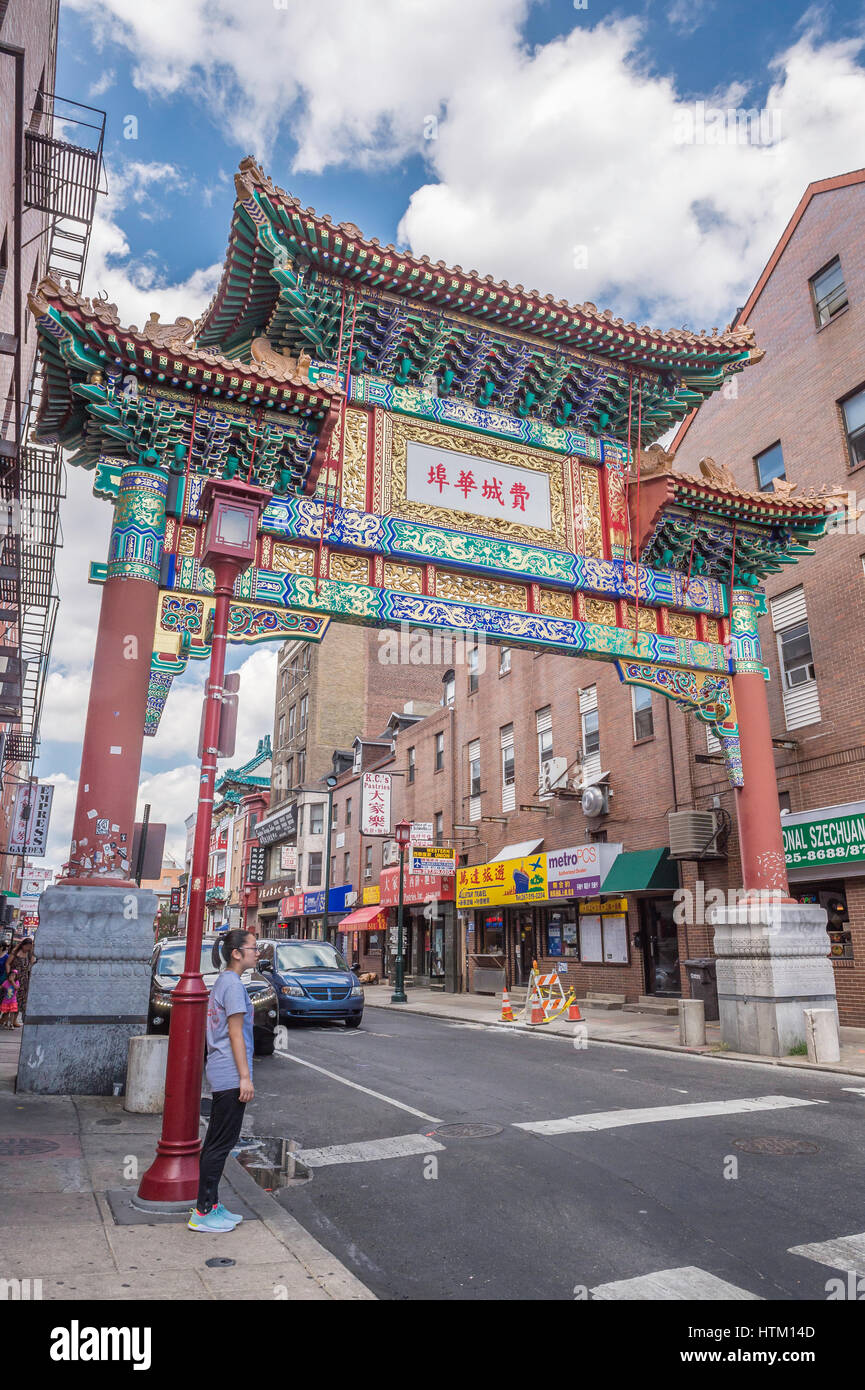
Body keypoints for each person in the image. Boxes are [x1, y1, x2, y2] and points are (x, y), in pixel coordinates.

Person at [188, 929, 257, 1233]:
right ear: (236, 954)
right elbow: (235, 1033)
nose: (257, 952)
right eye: (252, 948)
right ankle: (203, 1212)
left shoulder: (226, 982)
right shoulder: (231, 985)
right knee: (219, 1144)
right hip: (229, 1072)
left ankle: (212, 1205)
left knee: (219, 1141)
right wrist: (245, 1077)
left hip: (222, 1070)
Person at [8, 939, 33, 1026]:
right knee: (10, 999)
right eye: (27, 946)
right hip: (14, 979)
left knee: (20, 1001)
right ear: (23, 945)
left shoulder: (29, 954)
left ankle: (14, 1020)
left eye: (29, 947)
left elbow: (32, 963)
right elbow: (8, 963)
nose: (28, 948)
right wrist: (9, 974)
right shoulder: (15, 953)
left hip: (24, 980)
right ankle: (5, 1019)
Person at [1, 960, 19, 1028]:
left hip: (13, 1000)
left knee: (12, 1012)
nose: (12, 976)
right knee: (6, 1012)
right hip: (6, 1000)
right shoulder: (6, 982)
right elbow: (1, 987)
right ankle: (5, 1023)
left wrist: (12, 982)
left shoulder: (16, 982)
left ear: (16, 977)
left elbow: (17, 988)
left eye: (14, 975)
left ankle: (11, 1024)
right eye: (11, 975)